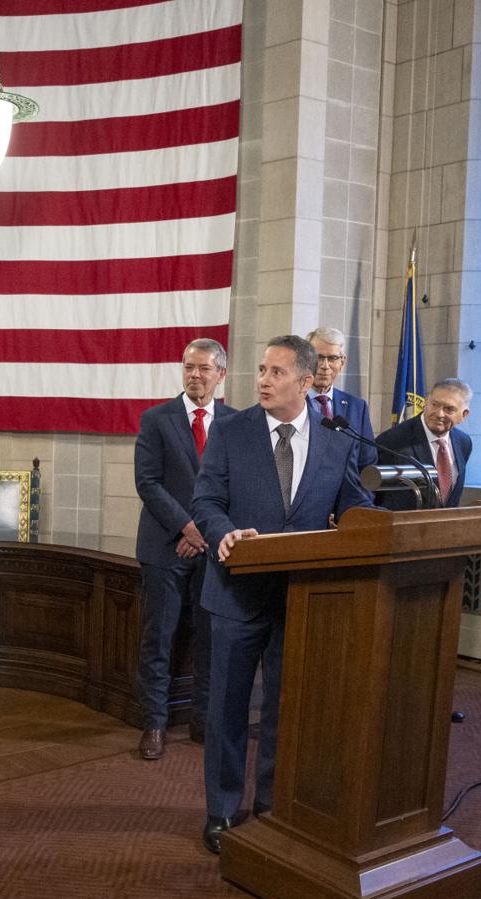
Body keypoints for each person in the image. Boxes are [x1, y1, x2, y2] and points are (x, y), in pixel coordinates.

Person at [191, 334, 372, 854]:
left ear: (307, 381)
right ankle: (222, 810)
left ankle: (272, 805)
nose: (264, 380)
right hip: (235, 593)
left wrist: (374, 531)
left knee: (284, 709)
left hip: (303, 598)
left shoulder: (338, 439)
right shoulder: (232, 429)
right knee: (227, 710)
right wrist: (222, 530)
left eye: (276, 372)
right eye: (262, 370)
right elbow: (206, 497)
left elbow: (356, 509)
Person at [134, 339, 236, 758]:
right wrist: (186, 527)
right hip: (165, 547)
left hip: (213, 551)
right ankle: (154, 725)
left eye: (204, 368)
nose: (195, 374)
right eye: (189, 367)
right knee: (158, 639)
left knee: (210, 641)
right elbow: (148, 483)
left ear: (221, 375)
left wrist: (207, 534)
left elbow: (236, 486)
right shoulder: (157, 419)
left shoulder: (234, 423)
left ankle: (203, 722)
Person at [375, 378, 474, 509]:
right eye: (434, 404)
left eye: (449, 409)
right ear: (426, 402)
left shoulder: (464, 442)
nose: (439, 413)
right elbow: (374, 494)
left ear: (464, 415)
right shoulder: (392, 441)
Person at [306, 327, 376, 470]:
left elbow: (368, 461)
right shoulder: (291, 403)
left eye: (332, 358)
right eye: (318, 357)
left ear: (342, 362)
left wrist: (363, 493)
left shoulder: (357, 407)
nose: (325, 366)